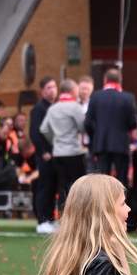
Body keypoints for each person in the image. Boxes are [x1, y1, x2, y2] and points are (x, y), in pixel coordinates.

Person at [40, 79, 89, 221]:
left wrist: (54, 141)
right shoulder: (75, 107)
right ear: (73, 90)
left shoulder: (53, 108)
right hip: (74, 152)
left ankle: (63, 218)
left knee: (62, 186)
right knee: (79, 186)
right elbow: (83, 127)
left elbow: (44, 129)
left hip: (58, 153)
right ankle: (79, 218)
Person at [84, 67, 137, 190]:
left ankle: (103, 202)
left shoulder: (95, 97)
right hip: (121, 145)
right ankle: (123, 200)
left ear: (105, 80)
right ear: (120, 80)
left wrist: (94, 138)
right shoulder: (128, 97)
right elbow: (133, 123)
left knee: (102, 181)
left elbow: (87, 123)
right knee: (122, 180)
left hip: (101, 144)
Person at [30, 77, 59, 234]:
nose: (52, 90)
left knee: (54, 187)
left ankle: (50, 218)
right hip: (46, 156)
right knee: (45, 187)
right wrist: (43, 152)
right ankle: (42, 220)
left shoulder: (56, 106)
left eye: (54, 86)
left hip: (56, 154)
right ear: (42, 91)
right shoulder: (39, 109)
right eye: (48, 87)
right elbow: (34, 133)